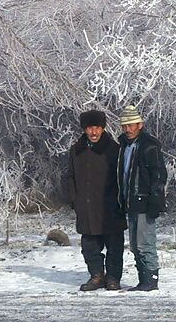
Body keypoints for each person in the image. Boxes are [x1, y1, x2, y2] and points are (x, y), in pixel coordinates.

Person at [68, 109, 126, 291]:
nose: (94, 132)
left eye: (97, 128)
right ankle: (96, 276)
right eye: (90, 128)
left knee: (114, 247)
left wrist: (121, 201)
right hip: (86, 208)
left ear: (103, 128)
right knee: (89, 247)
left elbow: (123, 178)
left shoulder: (115, 150)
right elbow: (69, 177)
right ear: (84, 129)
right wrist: (73, 200)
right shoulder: (76, 151)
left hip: (111, 208)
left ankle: (113, 278)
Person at [117, 104, 168, 292]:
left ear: (140, 124)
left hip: (145, 201)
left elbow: (159, 174)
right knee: (135, 245)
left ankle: (151, 280)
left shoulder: (149, 145)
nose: (128, 129)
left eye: (131, 125)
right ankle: (143, 280)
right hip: (130, 201)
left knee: (145, 243)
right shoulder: (124, 145)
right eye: (124, 125)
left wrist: (155, 199)